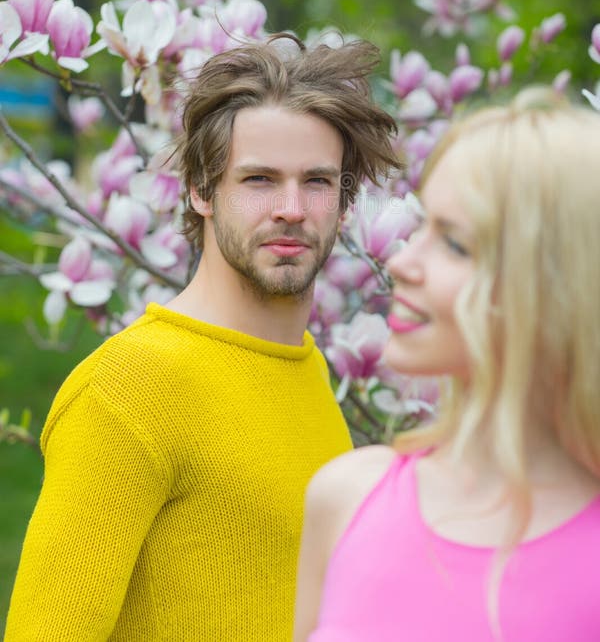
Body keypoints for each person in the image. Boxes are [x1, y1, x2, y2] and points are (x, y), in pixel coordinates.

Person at [5, 35, 399, 641]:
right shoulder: (130, 388)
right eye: (260, 179)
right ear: (200, 190)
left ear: (343, 202)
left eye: (317, 181)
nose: (292, 208)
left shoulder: (308, 370)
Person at [294, 87, 600, 642]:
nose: (402, 262)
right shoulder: (347, 497)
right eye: (421, 228)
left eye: (455, 245)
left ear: (554, 289)